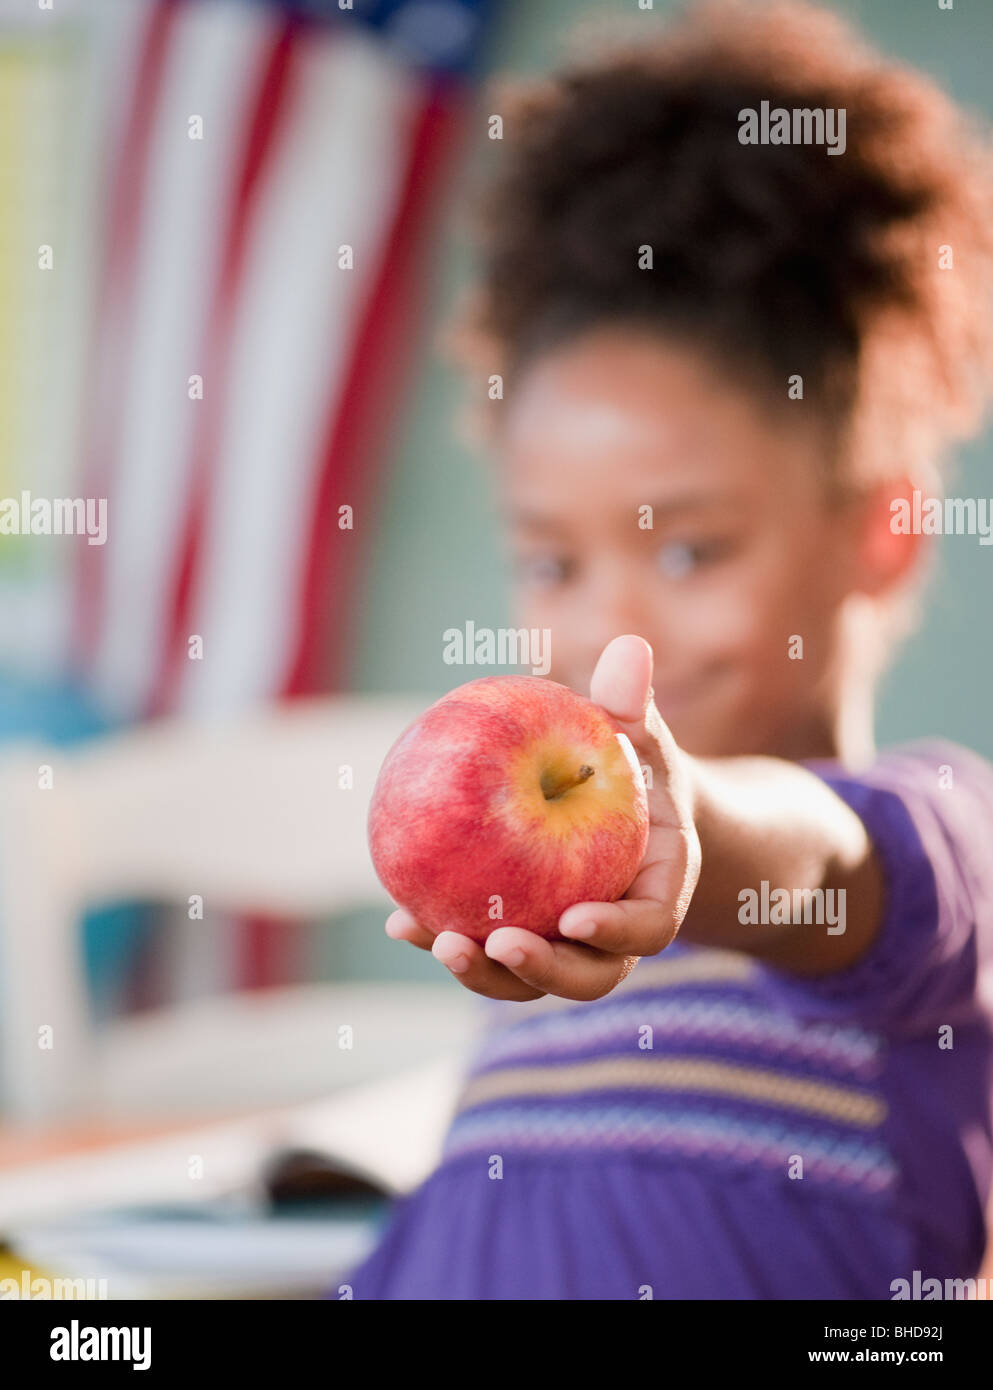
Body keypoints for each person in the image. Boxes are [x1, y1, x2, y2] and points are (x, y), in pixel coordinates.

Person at [343, 0, 993, 1299]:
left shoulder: (933, 852)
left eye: (689, 551)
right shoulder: (544, 969)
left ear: (883, 531)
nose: (612, 628)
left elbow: (820, 863)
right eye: (553, 559)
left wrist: (684, 822)